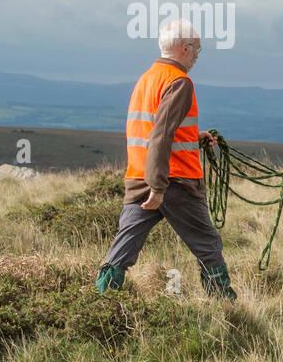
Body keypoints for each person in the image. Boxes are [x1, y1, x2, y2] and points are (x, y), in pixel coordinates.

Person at [95, 19, 237, 300]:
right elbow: (160, 135)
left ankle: (101, 303)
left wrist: (194, 137)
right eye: (197, 49)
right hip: (174, 182)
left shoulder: (147, 78)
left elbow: (155, 131)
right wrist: (159, 188)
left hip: (139, 178)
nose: (198, 55)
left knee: (123, 248)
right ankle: (225, 308)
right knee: (208, 243)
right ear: (185, 48)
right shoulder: (179, 82)